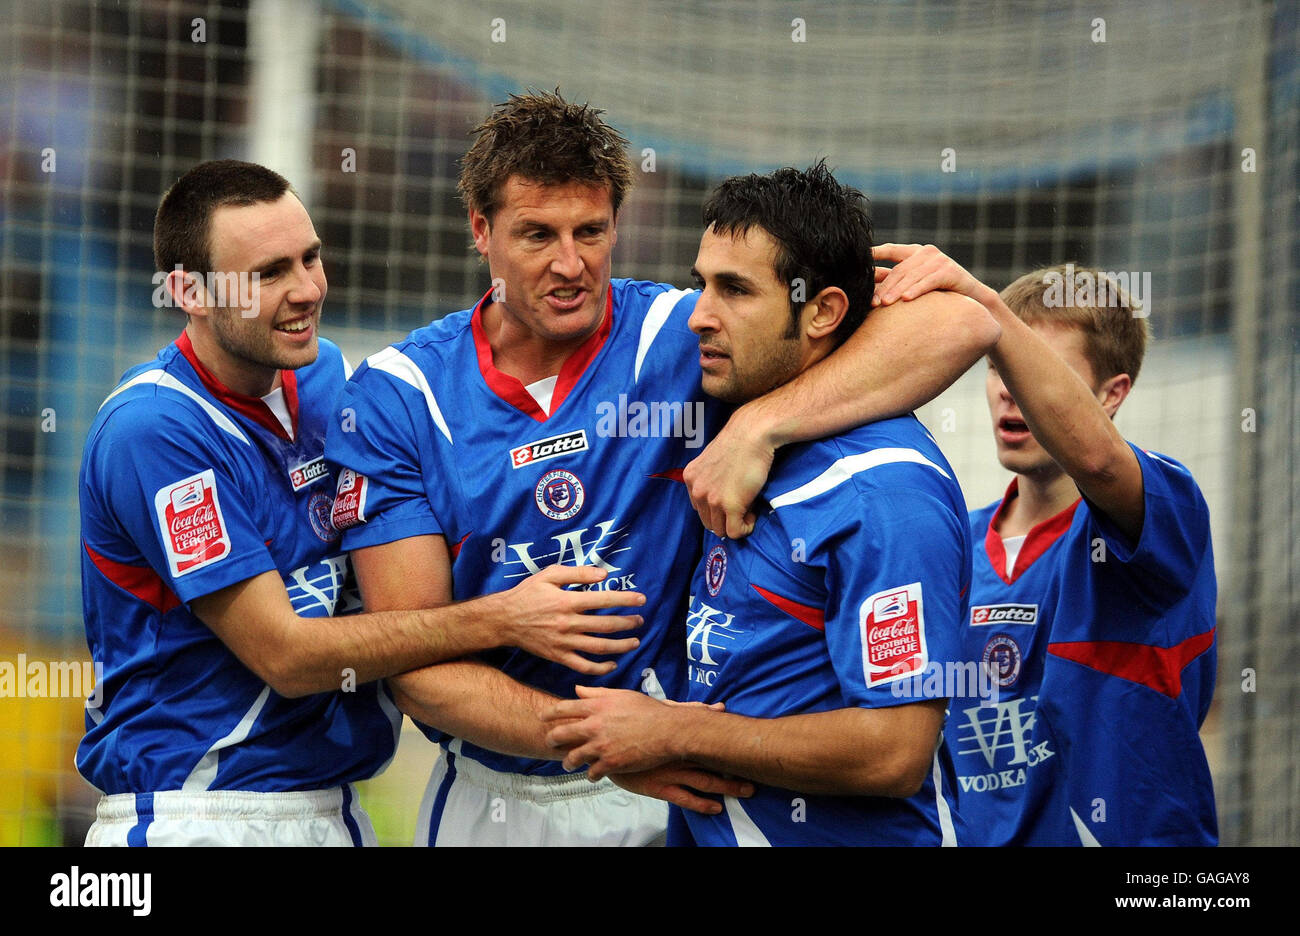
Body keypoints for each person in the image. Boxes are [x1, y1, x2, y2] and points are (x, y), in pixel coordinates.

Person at [326, 92, 998, 846]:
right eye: (537, 235)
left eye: (592, 231)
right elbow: (411, 657)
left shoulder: (685, 337)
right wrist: (607, 742)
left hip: (675, 791)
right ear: (481, 231)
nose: (570, 264)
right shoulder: (397, 396)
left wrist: (755, 426)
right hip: (508, 788)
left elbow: (963, 320)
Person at [77, 159, 646, 846]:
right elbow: (284, 657)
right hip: (202, 814)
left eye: (310, 259)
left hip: (334, 807)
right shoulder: (154, 430)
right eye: (268, 275)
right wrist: (505, 617)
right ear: (187, 292)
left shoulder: (327, 382)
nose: (306, 290)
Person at [541, 163, 971, 846]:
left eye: (735, 290)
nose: (700, 316)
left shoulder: (884, 494)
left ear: (823, 310)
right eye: (701, 283)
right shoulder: (736, 428)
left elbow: (895, 751)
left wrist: (676, 731)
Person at [870, 245, 1217, 845]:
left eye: (1035, 370)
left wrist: (981, 306)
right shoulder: (951, 541)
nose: (1011, 390)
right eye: (997, 366)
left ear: (1112, 394)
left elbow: (1101, 461)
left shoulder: (1164, 514)